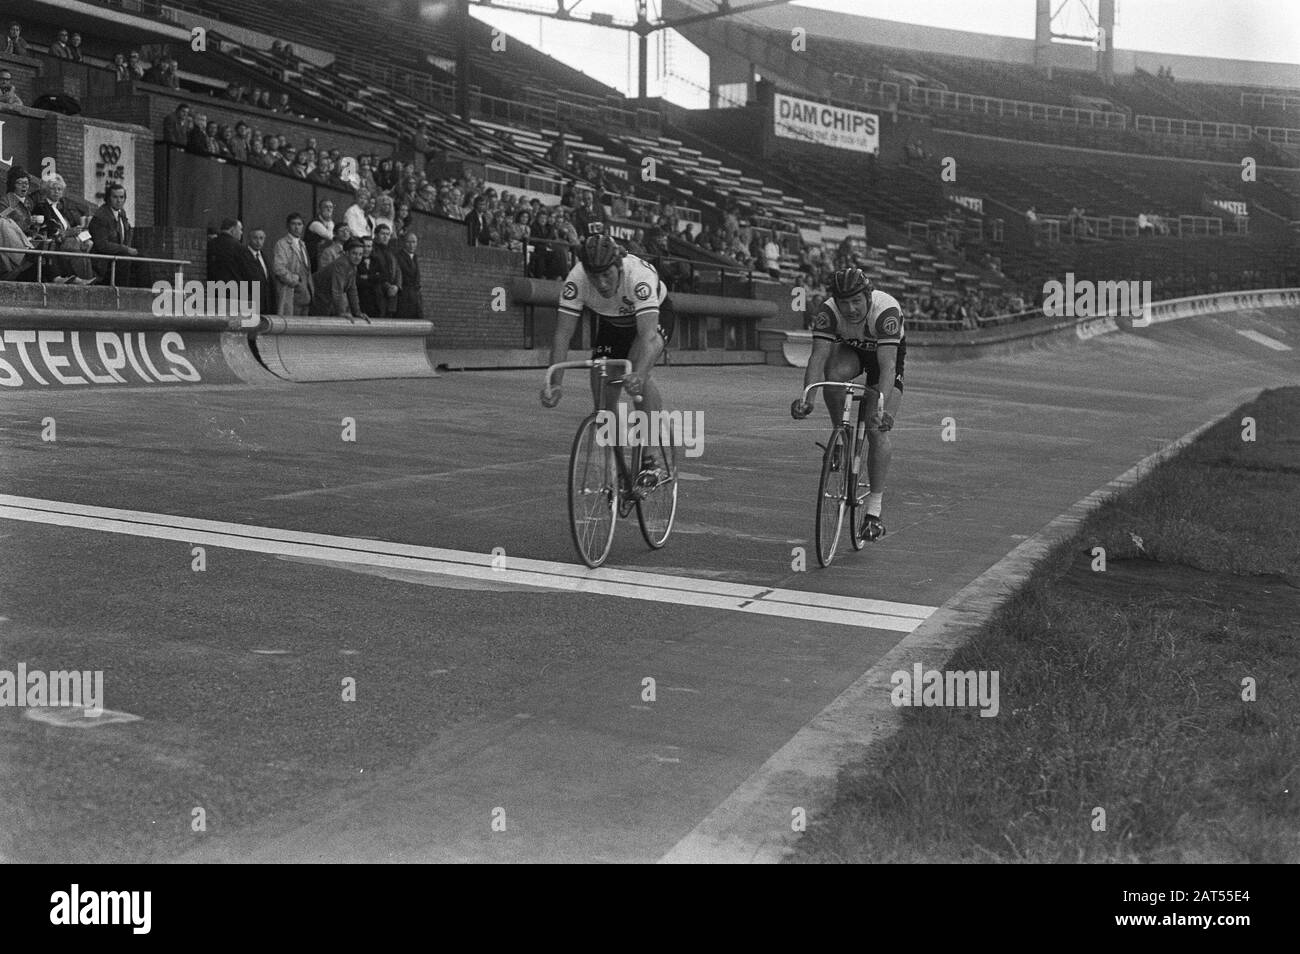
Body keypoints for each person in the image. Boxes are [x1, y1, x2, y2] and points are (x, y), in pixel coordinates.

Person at [540, 234, 677, 481]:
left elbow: (647, 337)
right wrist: (556, 383)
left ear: (619, 266)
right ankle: (617, 467)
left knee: (637, 373)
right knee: (602, 397)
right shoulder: (577, 279)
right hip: (613, 323)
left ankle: (651, 457)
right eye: (595, 276)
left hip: (650, 320)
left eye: (607, 275)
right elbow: (562, 335)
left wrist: (639, 374)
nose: (601, 284)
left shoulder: (639, 278)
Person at [790, 268, 904, 542]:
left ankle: (874, 514)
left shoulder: (885, 310)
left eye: (856, 301)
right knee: (834, 377)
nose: (851, 309)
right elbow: (817, 357)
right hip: (852, 352)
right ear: (835, 302)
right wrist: (808, 398)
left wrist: (881, 409)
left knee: (877, 430)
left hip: (883, 360)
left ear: (868, 296)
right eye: (844, 303)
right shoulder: (827, 312)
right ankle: (840, 437)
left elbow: (888, 367)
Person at [88, 183, 137, 284]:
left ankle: (146, 295)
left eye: (121, 197)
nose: (119, 200)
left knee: (143, 259)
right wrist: (125, 249)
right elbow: (102, 245)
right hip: (103, 261)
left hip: (119, 256)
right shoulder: (100, 216)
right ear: (108, 198)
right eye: (115, 197)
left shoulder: (121, 213)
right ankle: (122, 294)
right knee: (125, 259)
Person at [310, 238, 368, 320]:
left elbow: (352, 290)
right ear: (347, 253)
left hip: (325, 299)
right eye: (354, 253)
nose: (357, 257)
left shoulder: (353, 266)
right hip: (316, 296)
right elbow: (337, 291)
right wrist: (341, 312)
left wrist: (357, 312)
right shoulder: (341, 264)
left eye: (360, 254)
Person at [271, 212, 313, 315]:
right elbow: (279, 269)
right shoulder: (282, 244)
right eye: (293, 224)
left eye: (299, 224)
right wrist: (295, 281)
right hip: (292, 294)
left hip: (306, 296)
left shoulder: (302, 244)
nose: (296, 227)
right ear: (288, 226)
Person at [368, 223, 401, 318]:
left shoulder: (391, 252)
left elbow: (398, 271)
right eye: (383, 233)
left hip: (391, 296)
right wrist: (387, 286)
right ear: (376, 234)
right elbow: (375, 272)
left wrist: (397, 286)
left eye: (388, 234)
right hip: (376, 294)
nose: (385, 237)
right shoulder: (371, 250)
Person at [245, 227, 276, 317]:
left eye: (261, 238)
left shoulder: (264, 256)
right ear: (249, 239)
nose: (258, 241)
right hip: (252, 302)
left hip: (266, 304)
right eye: (255, 238)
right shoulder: (244, 255)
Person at [394, 231, 422, 320]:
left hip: (415, 298)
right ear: (403, 243)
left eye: (414, 242)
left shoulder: (415, 258)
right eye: (409, 242)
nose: (411, 245)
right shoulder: (397, 257)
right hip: (403, 297)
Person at [306, 199, 335, 271]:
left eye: (331, 207)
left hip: (325, 256)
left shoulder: (329, 223)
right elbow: (330, 237)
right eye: (326, 207)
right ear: (320, 209)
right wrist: (330, 222)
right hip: (313, 258)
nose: (329, 209)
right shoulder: (315, 223)